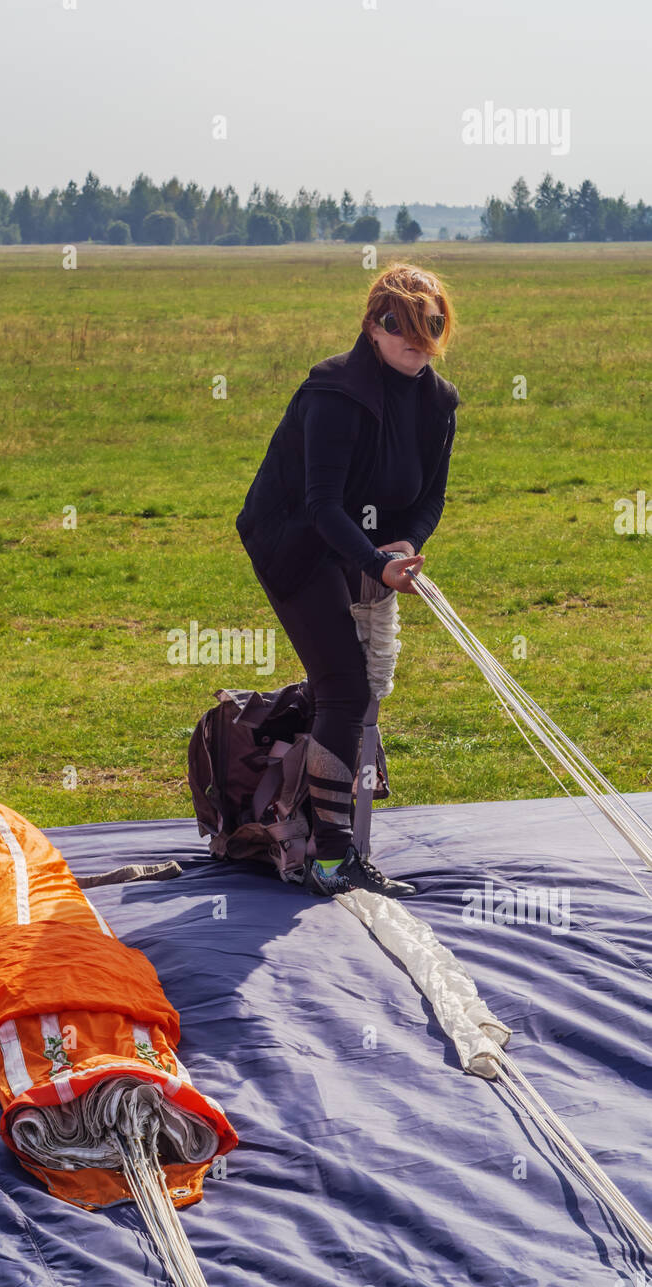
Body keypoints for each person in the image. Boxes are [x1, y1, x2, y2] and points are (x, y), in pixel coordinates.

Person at [235, 263, 460, 897]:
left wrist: (408, 544)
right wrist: (374, 563)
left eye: (431, 333)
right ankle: (331, 861)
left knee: (358, 693)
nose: (417, 346)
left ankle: (312, 815)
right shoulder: (332, 392)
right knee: (344, 685)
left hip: (360, 544)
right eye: (404, 333)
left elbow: (430, 498)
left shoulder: (440, 403)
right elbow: (320, 505)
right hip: (294, 541)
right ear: (373, 325)